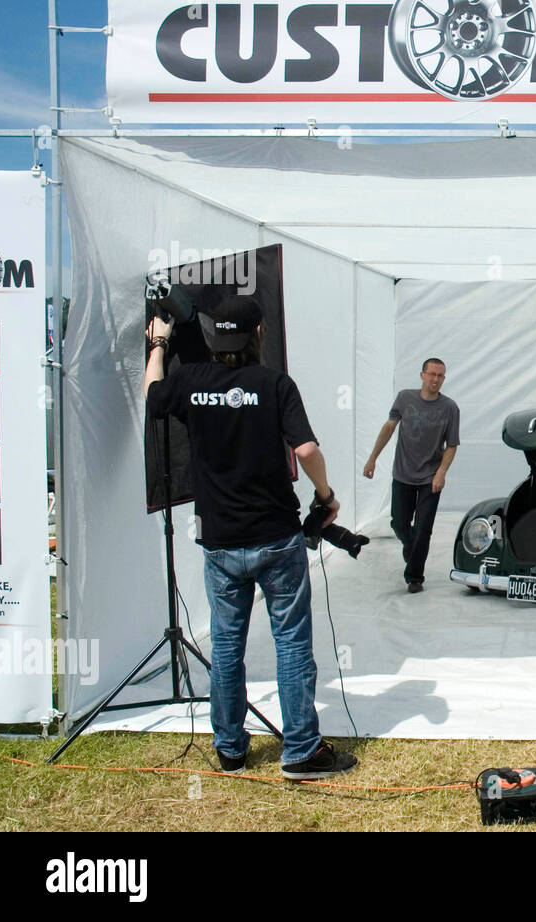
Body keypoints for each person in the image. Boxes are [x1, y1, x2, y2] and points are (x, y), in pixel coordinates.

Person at [144, 296, 357, 781]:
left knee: (225, 646)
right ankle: (301, 752)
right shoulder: (274, 384)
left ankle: (231, 750)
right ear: (258, 334)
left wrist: (158, 343)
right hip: (276, 538)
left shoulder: (192, 381)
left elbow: (153, 396)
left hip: (220, 542)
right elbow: (305, 448)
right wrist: (326, 496)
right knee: (291, 643)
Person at [363, 358, 460, 592]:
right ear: (422, 375)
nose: (436, 379)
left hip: (430, 478)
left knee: (423, 529)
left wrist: (441, 473)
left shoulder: (450, 408)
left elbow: (452, 445)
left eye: (440, 376)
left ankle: (415, 576)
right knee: (399, 523)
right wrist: (372, 458)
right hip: (403, 474)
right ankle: (410, 547)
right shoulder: (405, 398)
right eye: (432, 374)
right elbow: (389, 427)